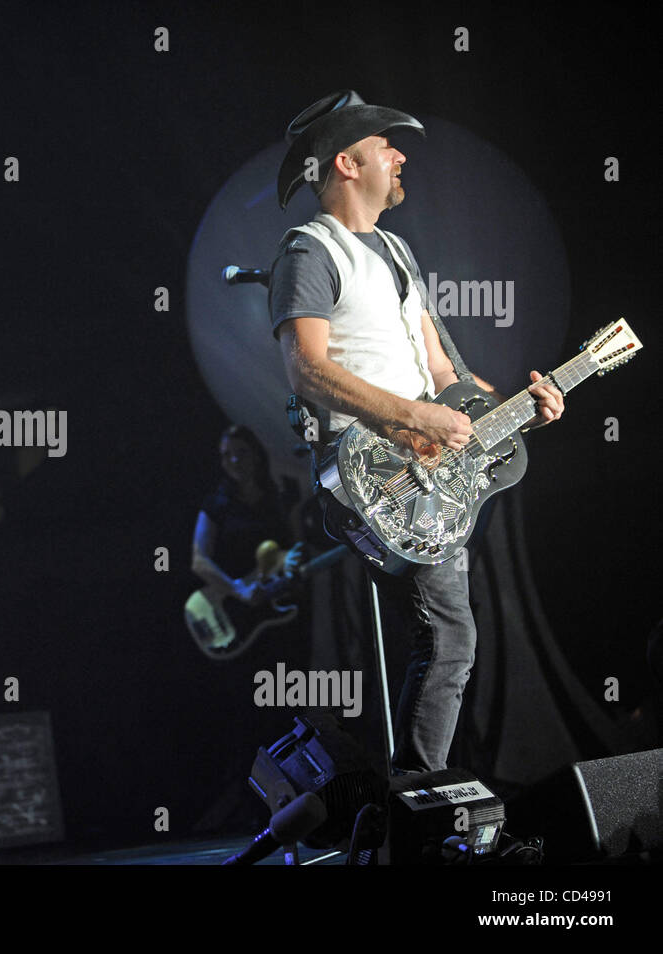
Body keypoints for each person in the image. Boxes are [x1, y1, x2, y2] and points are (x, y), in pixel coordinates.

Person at [269, 90, 565, 774]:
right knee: (450, 639)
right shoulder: (310, 251)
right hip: (375, 477)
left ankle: (414, 802)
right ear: (346, 163)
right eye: (385, 147)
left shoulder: (396, 251)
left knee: (450, 640)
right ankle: (415, 812)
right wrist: (408, 416)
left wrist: (524, 402)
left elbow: (443, 374)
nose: (399, 156)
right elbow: (305, 369)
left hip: (426, 475)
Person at [190, 424, 307, 661]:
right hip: (235, 610)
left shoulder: (281, 499)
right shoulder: (216, 505)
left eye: (241, 452)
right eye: (226, 454)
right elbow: (199, 561)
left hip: (278, 609)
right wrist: (238, 590)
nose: (234, 460)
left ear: (256, 454)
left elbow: (297, 547)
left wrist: (293, 562)